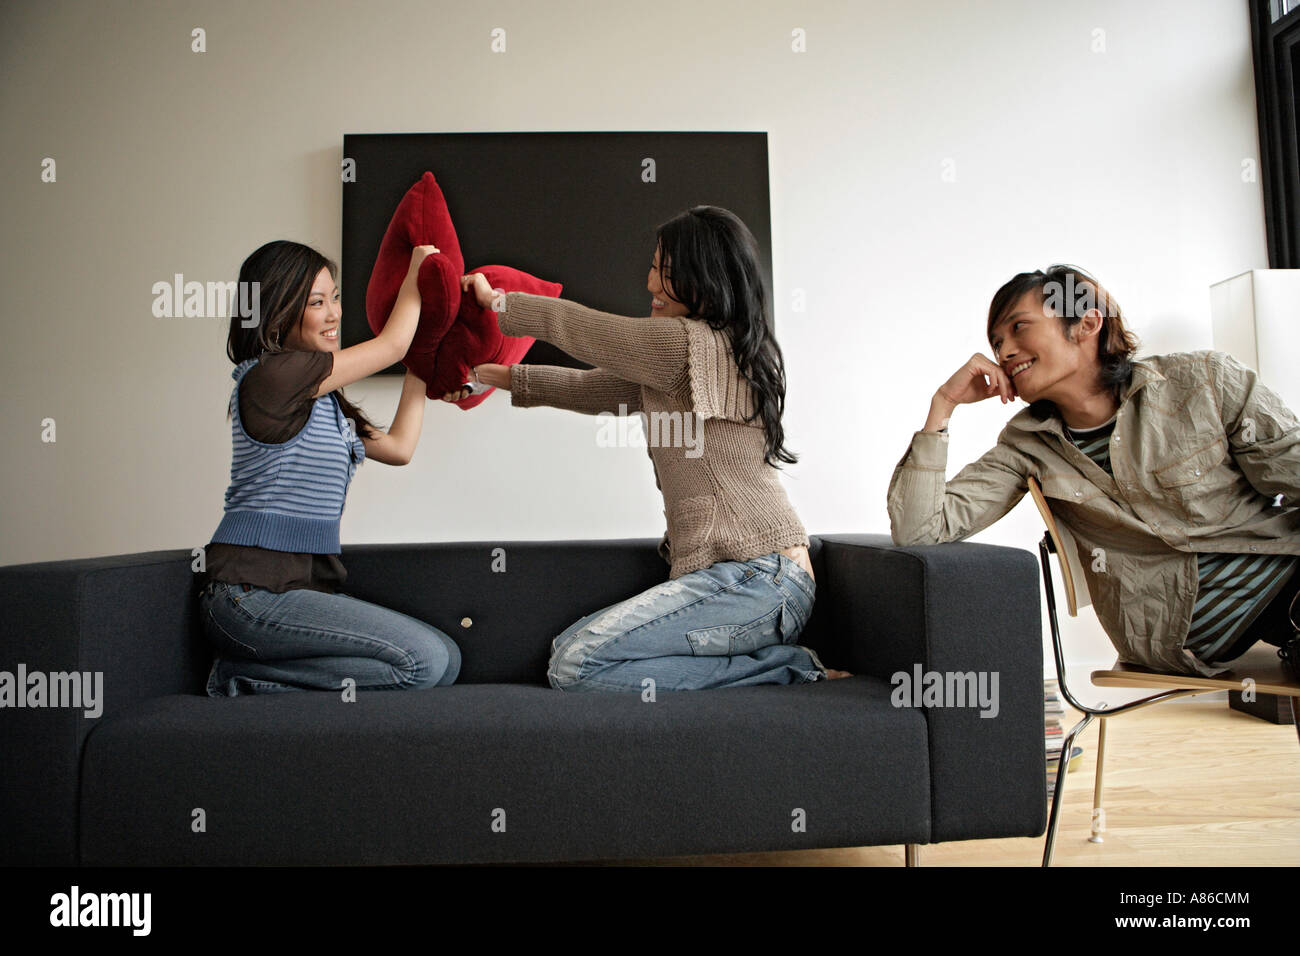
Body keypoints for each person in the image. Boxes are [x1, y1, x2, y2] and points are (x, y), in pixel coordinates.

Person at [462, 206, 850, 691]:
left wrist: (501, 305)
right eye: (653, 267)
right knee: (569, 656)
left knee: (575, 665)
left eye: (665, 272)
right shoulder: (687, 365)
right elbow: (592, 390)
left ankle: (787, 667)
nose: (651, 284)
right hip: (755, 584)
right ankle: (781, 662)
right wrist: (489, 376)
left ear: (702, 277)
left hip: (761, 578)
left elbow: (595, 333)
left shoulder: (689, 345)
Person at [887, 264, 1300, 679]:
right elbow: (919, 530)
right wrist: (943, 404)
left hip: (1284, 573)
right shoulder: (1026, 445)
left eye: (1019, 328)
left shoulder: (1204, 381)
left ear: (1087, 323)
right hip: (1185, 630)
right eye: (997, 342)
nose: (1004, 352)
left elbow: (1289, 468)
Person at [200, 240, 464, 696]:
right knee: (423, 663)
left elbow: (400, 447)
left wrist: (427, 368)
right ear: (278, 311)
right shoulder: (270, 378)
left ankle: (248, 675)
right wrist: (418, 274)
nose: (334, 314)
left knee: (446, 659)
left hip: (298, 594)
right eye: (317, 302)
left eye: (335, 297)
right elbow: (391, 344)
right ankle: (236, 678)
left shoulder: (325, 403)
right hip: (248, 595)